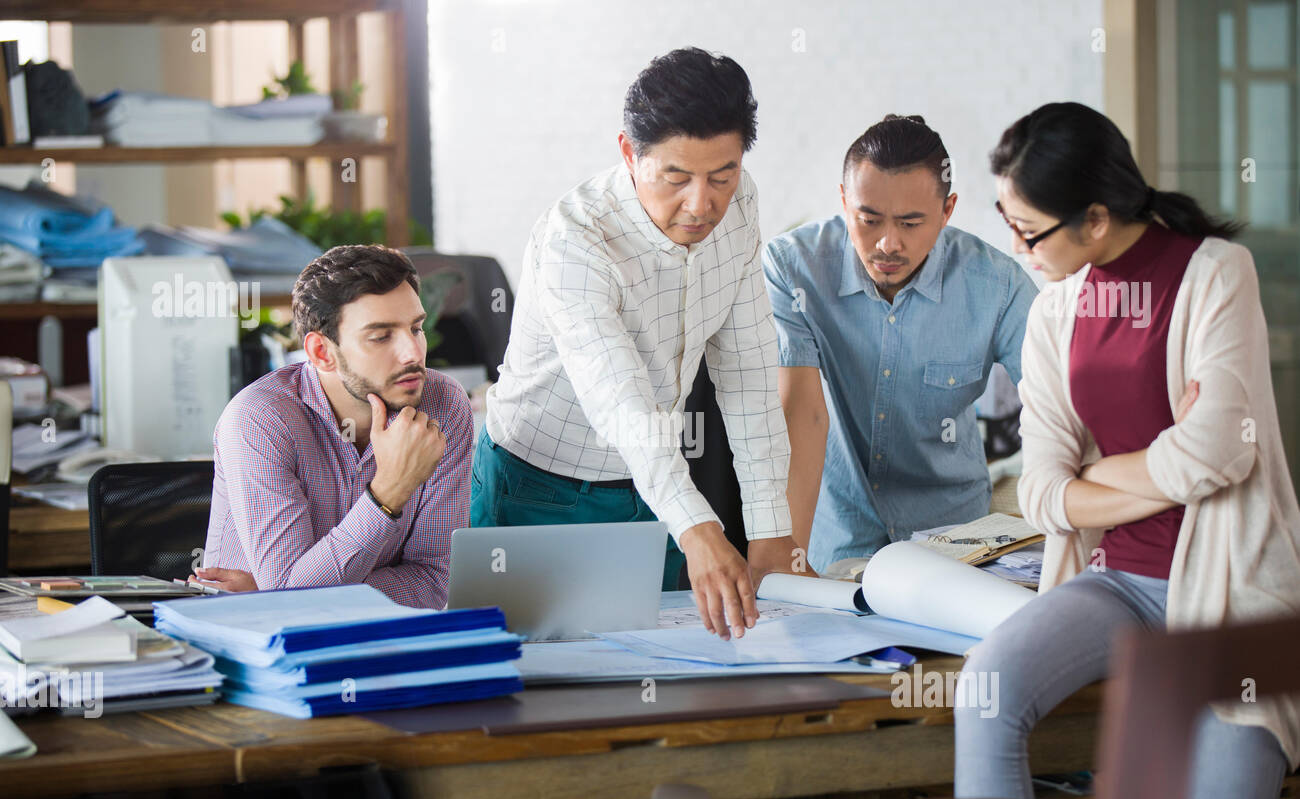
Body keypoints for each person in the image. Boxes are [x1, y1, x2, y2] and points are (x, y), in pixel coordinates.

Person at [954, 101, 1300, 799]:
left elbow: (1222, 452)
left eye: (1031, 230)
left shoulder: (1215, 273)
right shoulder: (1054, 313)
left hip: (1231, 599)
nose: (1018, 247)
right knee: (986, 690)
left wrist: (1100, 472)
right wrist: (1159, 473)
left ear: (1098, 219)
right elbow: (1042, 490)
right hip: (1115, 582)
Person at [476, 47, 804, 645]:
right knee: (536, 694)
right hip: (538, 487)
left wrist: (768, 528)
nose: (702, 203)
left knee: (677, 673)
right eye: (675, 177)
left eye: (722, 175)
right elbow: (621, 405)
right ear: (629, 153)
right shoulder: (574, 238)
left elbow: (748, 371)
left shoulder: (741, 204)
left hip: (657, 488)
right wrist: (700, 529)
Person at [763, 115, 1036, 575]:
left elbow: (1059, 402)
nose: (888, 244)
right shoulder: (794, 267)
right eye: (868, 220)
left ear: (947, 211)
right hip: (836, 543)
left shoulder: (996, 284)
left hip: (956, 546)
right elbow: (802, 412)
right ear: (844, 201)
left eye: (911, 223)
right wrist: (788, 558)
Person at [196, 244, 472, 609]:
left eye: (416, 328)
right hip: (257, 645)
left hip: (385, 643)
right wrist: (389, 492)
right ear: (322, 353)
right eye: (380, 336)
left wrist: (280, 594)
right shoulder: (259, 420)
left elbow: (438, 582)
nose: (412, 353)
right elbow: (290, 599)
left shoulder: (444, 405)